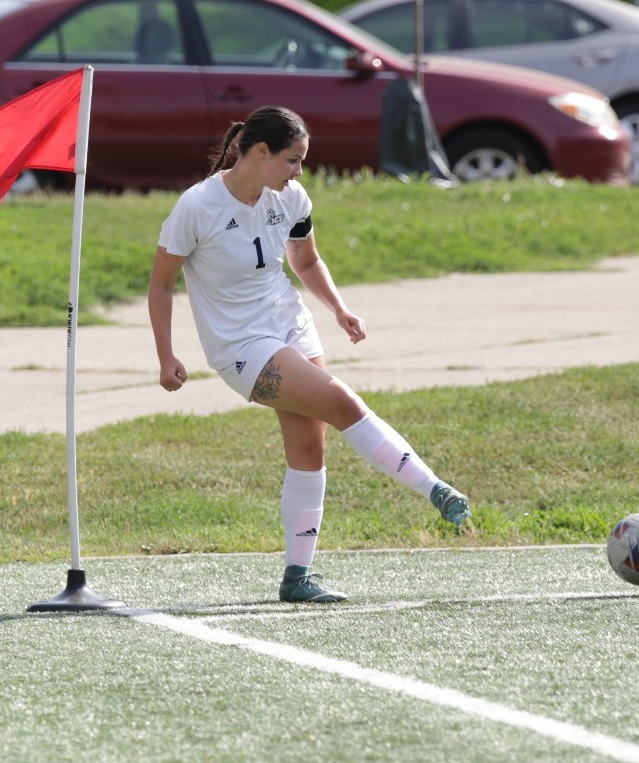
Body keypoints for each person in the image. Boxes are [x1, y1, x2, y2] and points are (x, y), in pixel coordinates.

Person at [148, 105, 470, 604]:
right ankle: (435, 489)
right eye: (293, 160)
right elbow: (161, 283)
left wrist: (339, 310)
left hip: (290, 325)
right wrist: (166, 355)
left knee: (309, 450)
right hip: (240, 346)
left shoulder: (290, 196)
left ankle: (297, 577)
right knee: (343, 403)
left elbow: (306, 258)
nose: (300, 171)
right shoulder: (197, 206)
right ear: (260, 153)